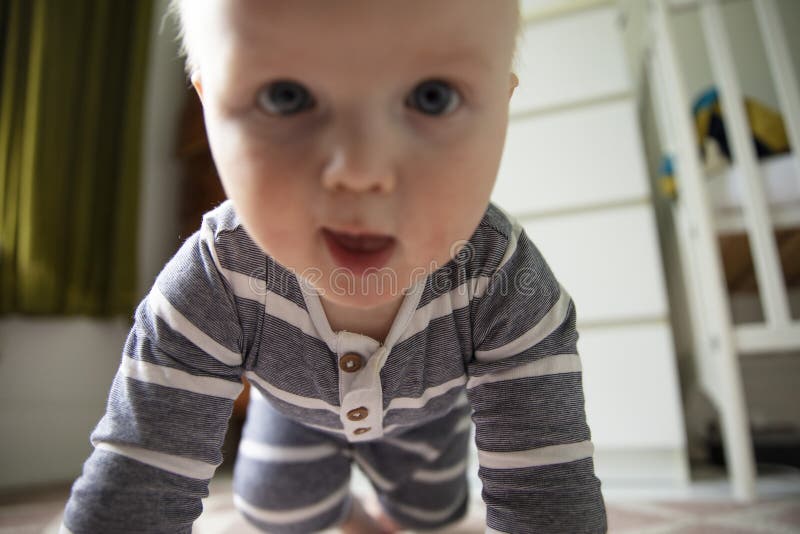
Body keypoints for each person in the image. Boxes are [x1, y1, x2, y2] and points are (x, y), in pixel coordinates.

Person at [61, 1, 607, 532]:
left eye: (432, 97)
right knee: (276, 511)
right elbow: (139, 477)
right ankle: (346, 510)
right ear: (208, 105)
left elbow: (549, 494)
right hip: (295, 410)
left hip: (430, 411)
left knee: (432, 513)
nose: (361, 172)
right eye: (285, 96)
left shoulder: (507, 281)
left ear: (501, 108)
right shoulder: (213, 280)